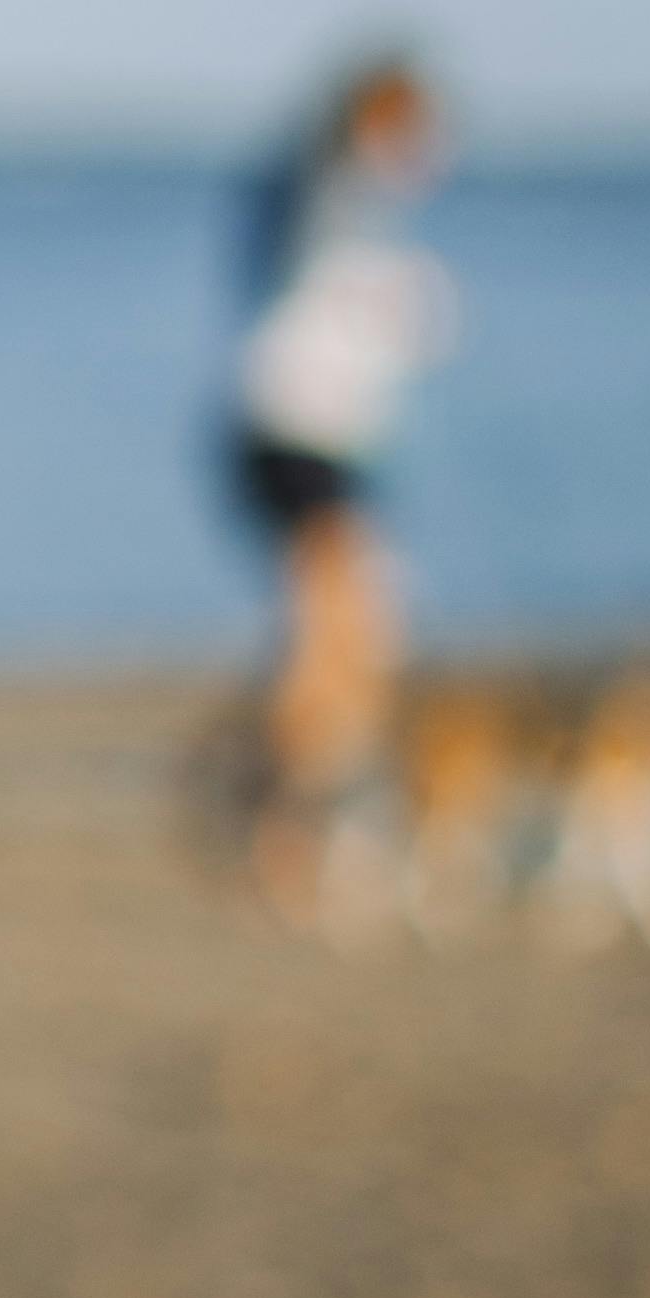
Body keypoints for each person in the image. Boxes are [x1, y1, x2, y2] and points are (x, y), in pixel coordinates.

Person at [223, 49, 456, 917]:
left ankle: (301, 815)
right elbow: (313, 259)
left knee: (355, 637)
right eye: (416, 130)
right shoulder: (326, 192)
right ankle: (289, 828)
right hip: (289, 435)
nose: (428, 151)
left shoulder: (357, 204)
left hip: (325, 441)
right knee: (333, 642)